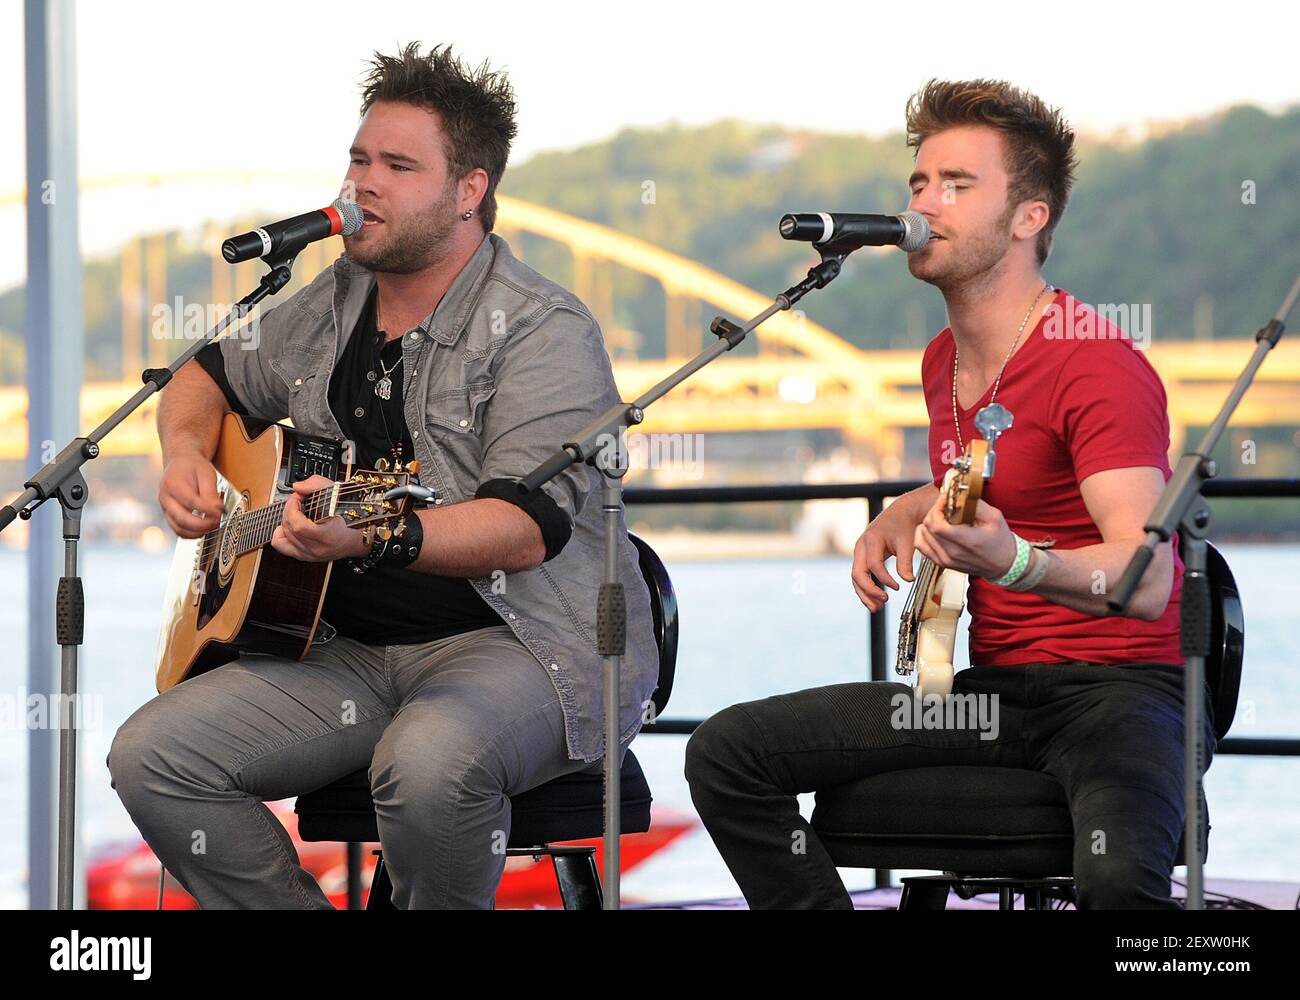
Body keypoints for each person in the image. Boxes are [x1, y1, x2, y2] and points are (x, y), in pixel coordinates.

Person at [108, 42, 657, 909]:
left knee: (429, 762)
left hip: (522, 647)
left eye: (398, 166)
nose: (363, 184)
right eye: (360, 159)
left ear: (468, 190)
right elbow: (200, 376)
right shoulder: (330, 304)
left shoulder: (543, 329)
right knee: (155, 758)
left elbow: (523, 526)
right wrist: (183, 453)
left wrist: (382, 532)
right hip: (346, 655)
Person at [685, 78, 1213, 910]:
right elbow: (1006, 466)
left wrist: (1014, 562)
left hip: (1118, 695)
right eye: (920, 184)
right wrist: (909, 504)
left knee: (1119, 883)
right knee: (727, 754)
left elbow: (1147, 579)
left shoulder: (1095, 361)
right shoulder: (943, 362)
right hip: (992, 698)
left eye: (959, 185)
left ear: (1028, 217)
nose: (927, 203)